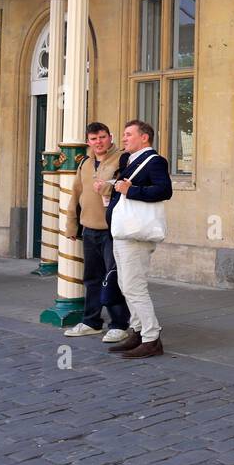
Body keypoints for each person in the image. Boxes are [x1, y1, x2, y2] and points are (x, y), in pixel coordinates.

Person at [104, 119, 172, 359]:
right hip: (122, 232)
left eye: (128, 134)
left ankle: (152, 338)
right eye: (124, 134)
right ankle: (138, 330)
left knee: (134, 286)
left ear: (145, 137)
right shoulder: (128, 160)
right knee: (125, 284)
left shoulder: (155, 161)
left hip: (136, 233)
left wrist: (130, 191)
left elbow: (164, 190)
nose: (124, 139)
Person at [61, 122, 131, 343]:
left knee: (113, 278)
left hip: (113, 230)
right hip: (89, 229)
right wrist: (72, 224)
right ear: (88, 141)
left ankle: (119, 324)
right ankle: (91, 321)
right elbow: (76, 195)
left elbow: (128, 188)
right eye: (93, 139)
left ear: (110, 137)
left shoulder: (122, 159)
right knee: (92, 278)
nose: (98, 142)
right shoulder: (85, 163)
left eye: (102, 137)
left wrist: (107, 187)